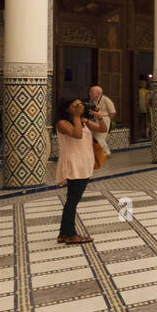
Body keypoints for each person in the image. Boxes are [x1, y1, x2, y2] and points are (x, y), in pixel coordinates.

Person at [55, 97, 107, 245]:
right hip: (74, 164)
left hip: (84, 163)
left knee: (73, 199)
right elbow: (77, 135)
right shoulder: (62, 123)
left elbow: (102, 129)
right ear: (67, 109)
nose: (80, 107)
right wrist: (77, 117)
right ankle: (70, 234)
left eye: (80, 105)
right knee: (73, 200)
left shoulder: (83, 121)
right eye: (76, 106)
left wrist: (99, 118)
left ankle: (63, 233)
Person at [88, 85, 116, 160]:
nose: (89, 93)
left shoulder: (106, 100)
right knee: (95, 137)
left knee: (98, 138)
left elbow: (112, 112)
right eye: (90, 91)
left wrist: (107, 121)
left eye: (91, 92)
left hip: (104, 119)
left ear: (98, 93)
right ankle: (107, 153)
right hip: (94, 120)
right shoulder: (92, 100)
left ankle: (97, 156)